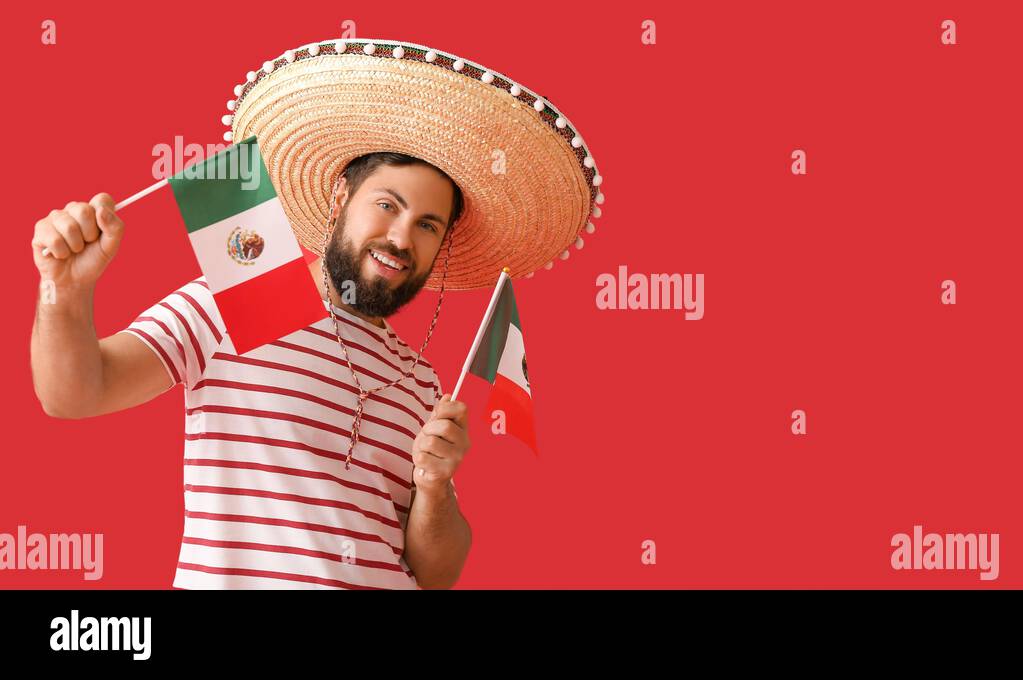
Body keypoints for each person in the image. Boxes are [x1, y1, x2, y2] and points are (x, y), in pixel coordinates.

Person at [29, 38, 603, 589]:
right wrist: (64, 291)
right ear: (339, 201)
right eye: (387, 205)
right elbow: (77, 393)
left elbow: (435, 575)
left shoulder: (425, 384)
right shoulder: (240, 298)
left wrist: (434, 487)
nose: (401, 238)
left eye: (427, 225)